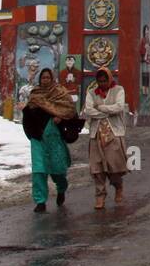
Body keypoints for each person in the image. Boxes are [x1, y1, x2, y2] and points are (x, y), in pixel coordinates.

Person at [23, 68, 76, 213]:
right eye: (43, 78)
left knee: (57, 170)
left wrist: (61, 119)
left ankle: (61, 189)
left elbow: (70, 112)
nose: (45, 80)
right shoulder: (35, 95)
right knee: (39, 171)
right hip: (38, 139)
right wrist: (32, 133)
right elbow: (27, 114)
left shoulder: (60, 94)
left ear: (52, 79)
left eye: (48, 77)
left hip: (54, 138)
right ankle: (40, 201)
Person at [84, 67, 128, 209]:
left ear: (109, 79)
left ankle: (118, 186)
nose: (102, 83)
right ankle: (100, 195)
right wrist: (107, 112)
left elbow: (119, 107)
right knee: (97, 167)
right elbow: (89, 110)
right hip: (96, 134)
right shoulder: (91, 93)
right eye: (99, 81)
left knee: (114, 165)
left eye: (105, 80)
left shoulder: (118, 90)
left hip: (113, 133)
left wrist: (101, 108)